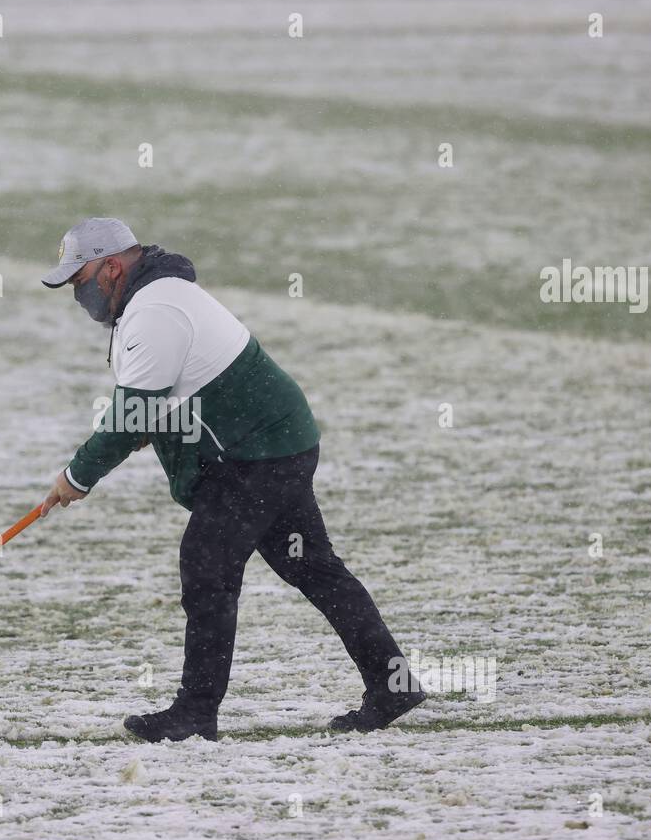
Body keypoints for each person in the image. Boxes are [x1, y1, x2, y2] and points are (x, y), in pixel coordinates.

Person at [39, 217, 425, 742]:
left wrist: (76, 477)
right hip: (276, 442)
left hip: (256, 456)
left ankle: (196, 711)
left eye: (78, 278)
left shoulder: (155, 310)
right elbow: (164, 399)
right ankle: (392, 684)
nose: (76, 292)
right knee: (312, 568)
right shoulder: (155, 296)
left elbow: (132, 412)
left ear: (111, 266)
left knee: (207, 566)